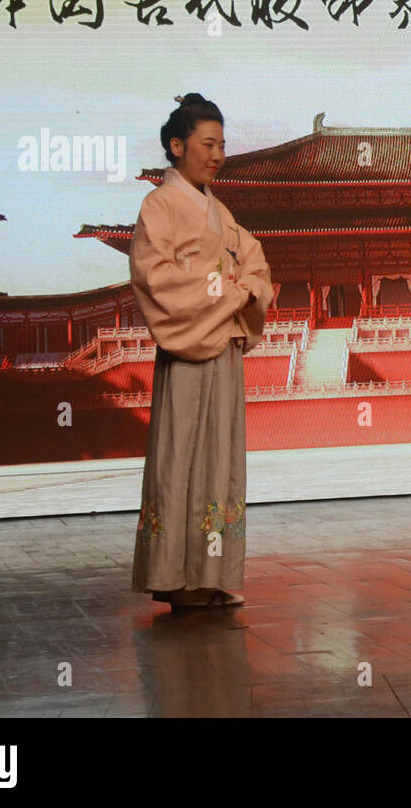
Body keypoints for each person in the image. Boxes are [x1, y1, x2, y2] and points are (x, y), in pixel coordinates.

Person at [129, 93, 273, 608]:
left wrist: (247, 288)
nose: (217, 154)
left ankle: (211, 575)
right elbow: (157, 277)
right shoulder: (160, 205)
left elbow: (255, 262)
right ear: (177, 145)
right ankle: (174, 578)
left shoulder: (220, 211)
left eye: (222, 145)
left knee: (220, 459)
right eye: (207, 143)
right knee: (181, 456)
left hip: (223, 348)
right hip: (189, 345)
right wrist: (229, 291)